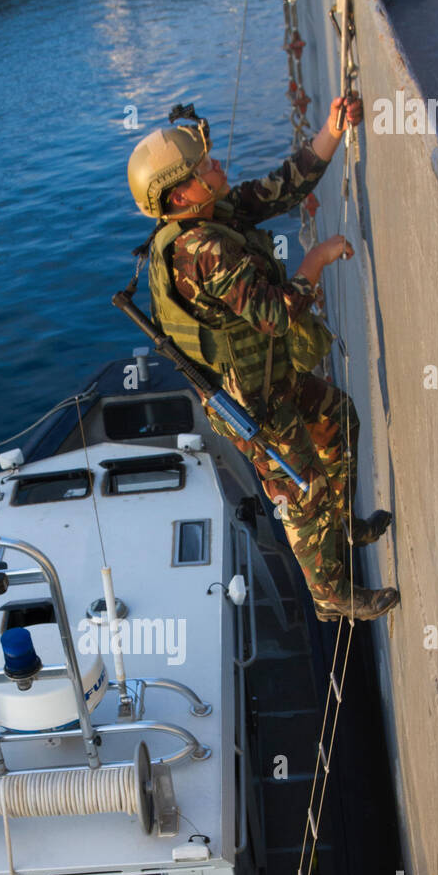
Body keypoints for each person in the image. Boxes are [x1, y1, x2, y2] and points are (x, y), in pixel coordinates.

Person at [127, 101, 400, 622]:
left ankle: (342, 525)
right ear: (180, 193)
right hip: (249, 402)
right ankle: (331, 596)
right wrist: (314, 262)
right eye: (205, 168)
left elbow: (284, 186)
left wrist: (331, 130)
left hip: (270, 377)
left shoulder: (214, 212)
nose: (218, 168)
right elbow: (274, 314)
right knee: (302, 493)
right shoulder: (201, 249)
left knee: (339, 418)